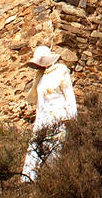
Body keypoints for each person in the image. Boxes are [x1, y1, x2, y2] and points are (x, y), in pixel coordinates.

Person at [21, 44, 77, 182]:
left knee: (54, 151)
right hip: (42, 119)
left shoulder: (61, 71)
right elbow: (40, 101)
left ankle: (51, 183)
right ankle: (28, 181)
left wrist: (71, 118)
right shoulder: (40, 77)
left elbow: (69, 96)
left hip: (59, 118)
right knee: (34, 148)